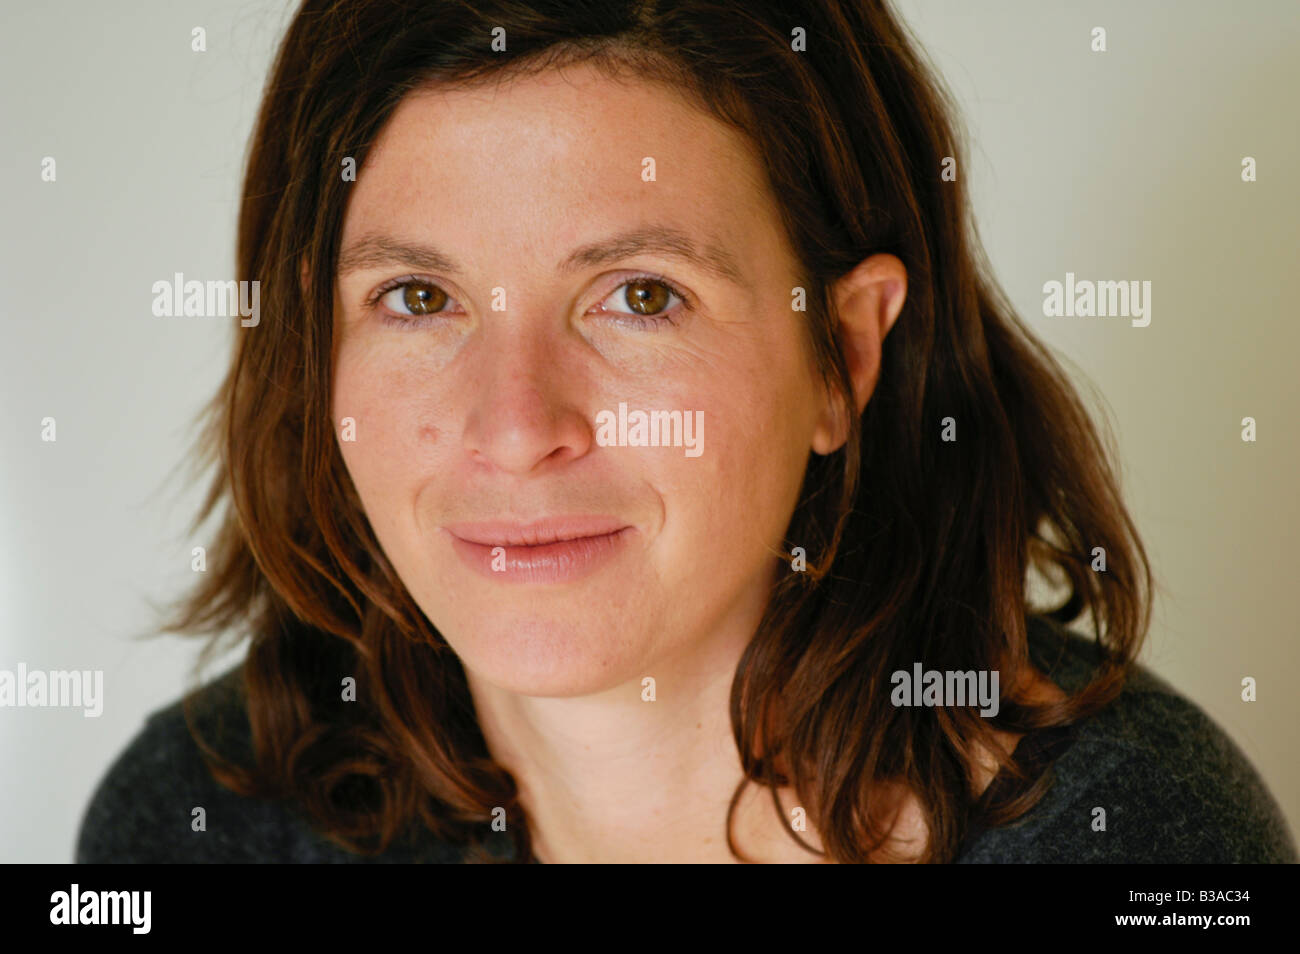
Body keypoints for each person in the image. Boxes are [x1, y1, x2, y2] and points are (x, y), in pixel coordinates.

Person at [76, 0, 1296, 864]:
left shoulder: (1131, 842)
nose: (513, 429)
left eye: (640, 296)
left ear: (843, 355)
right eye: (418, 298)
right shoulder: (208, 817)